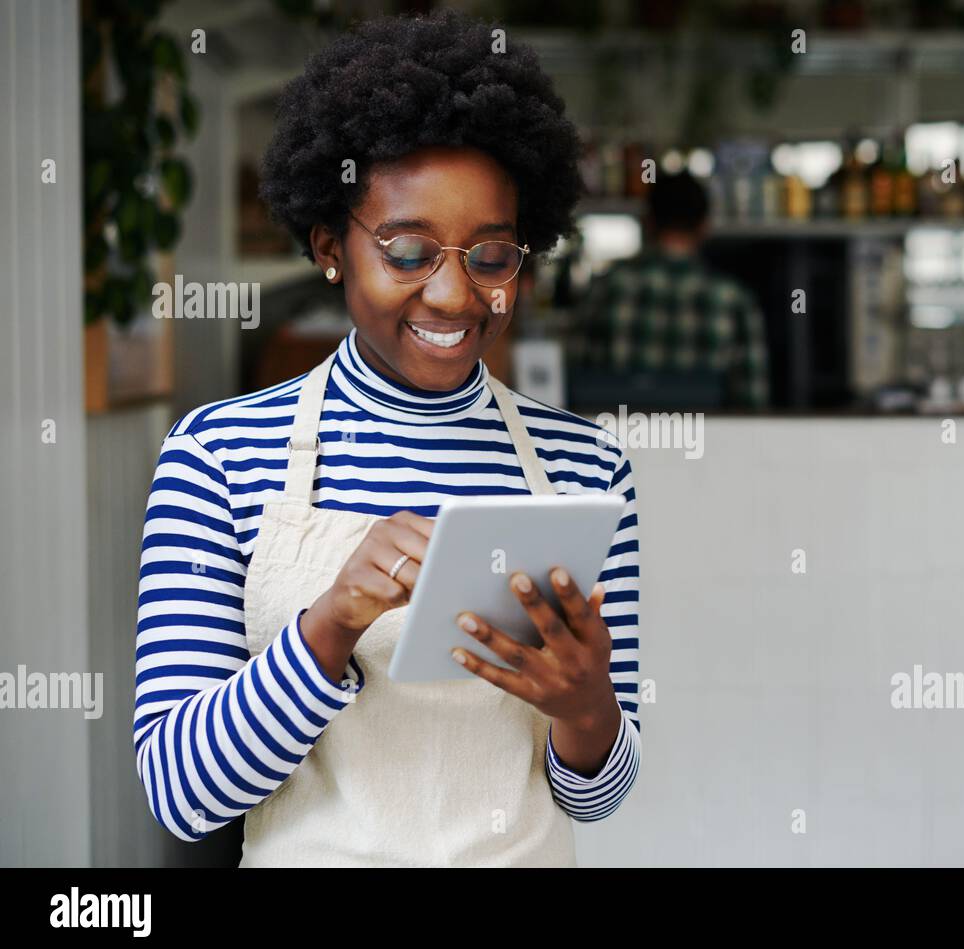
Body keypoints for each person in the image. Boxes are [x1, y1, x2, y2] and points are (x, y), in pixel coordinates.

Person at [132, 11, 640, 867]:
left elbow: (598, 794)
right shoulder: (217, 455)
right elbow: (180, 795)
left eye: (490, 256)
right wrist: (328, 626)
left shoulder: (587, 468)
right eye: (407, 251)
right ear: (331, 246)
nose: (452, 295)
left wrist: (588, 707)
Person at [573, 170, 771, 408]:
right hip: (707, 443)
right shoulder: (735, 301)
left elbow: (575, 385)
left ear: (648, 222)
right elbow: (754, 406)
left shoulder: (607, 288)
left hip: (619, 440)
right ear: (704, 226)